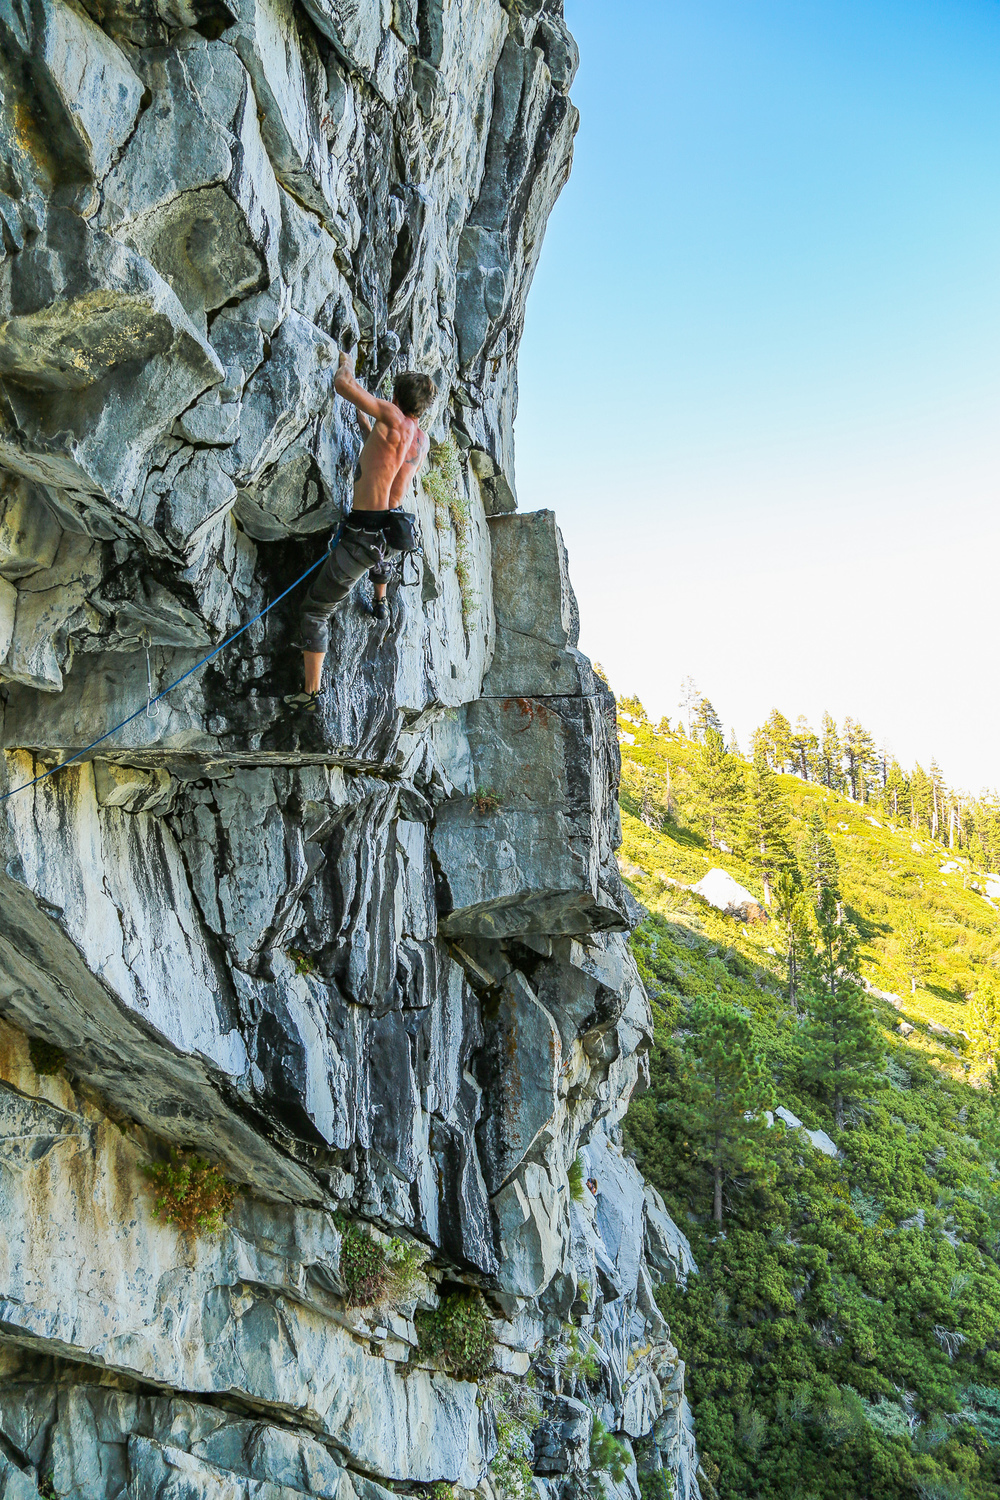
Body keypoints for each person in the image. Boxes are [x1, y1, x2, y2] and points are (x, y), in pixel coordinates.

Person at [285, 353, 436, 712]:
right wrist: (367, 427)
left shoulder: (389, 413)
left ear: (396, 397)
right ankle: (381, 602)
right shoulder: (421, 439)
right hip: (389, 528)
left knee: (314, 611)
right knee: (379, 561)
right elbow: (394, 462)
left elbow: (343, 385)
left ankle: (310, 695)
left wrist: (346, 362)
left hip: (361, 537)